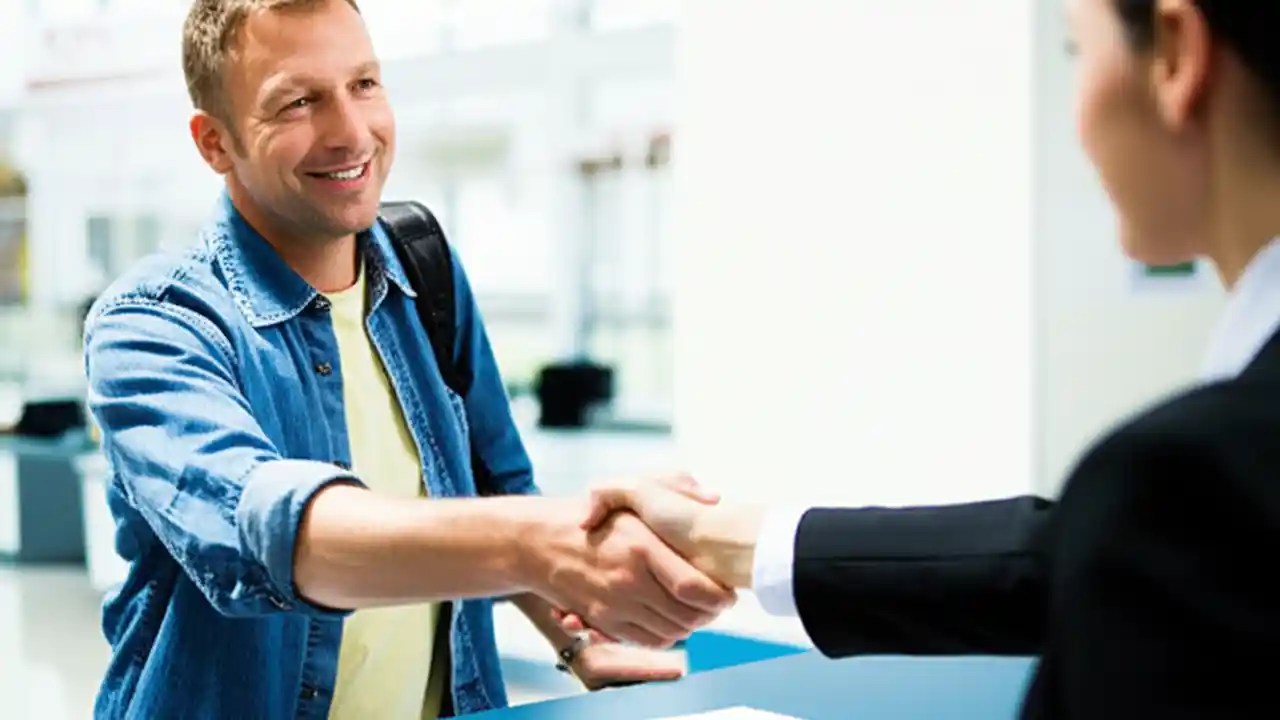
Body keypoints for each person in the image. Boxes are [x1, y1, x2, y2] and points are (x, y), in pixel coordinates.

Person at [567, 0, 1280, 717]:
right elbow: (1072, 555)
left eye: (1075, 53)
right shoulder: (1203, 492)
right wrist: (730, 541)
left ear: (1176, 54)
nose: (1076, 120)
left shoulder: (1190, 476)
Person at [82, 1, 733, 718]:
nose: (352, 132)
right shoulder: (153, 325)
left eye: (364, 84)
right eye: (298, 102)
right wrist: (541, 544)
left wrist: (574, 635)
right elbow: (274, 534)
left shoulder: (423, 269)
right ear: (216, 143)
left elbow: (492, 486)